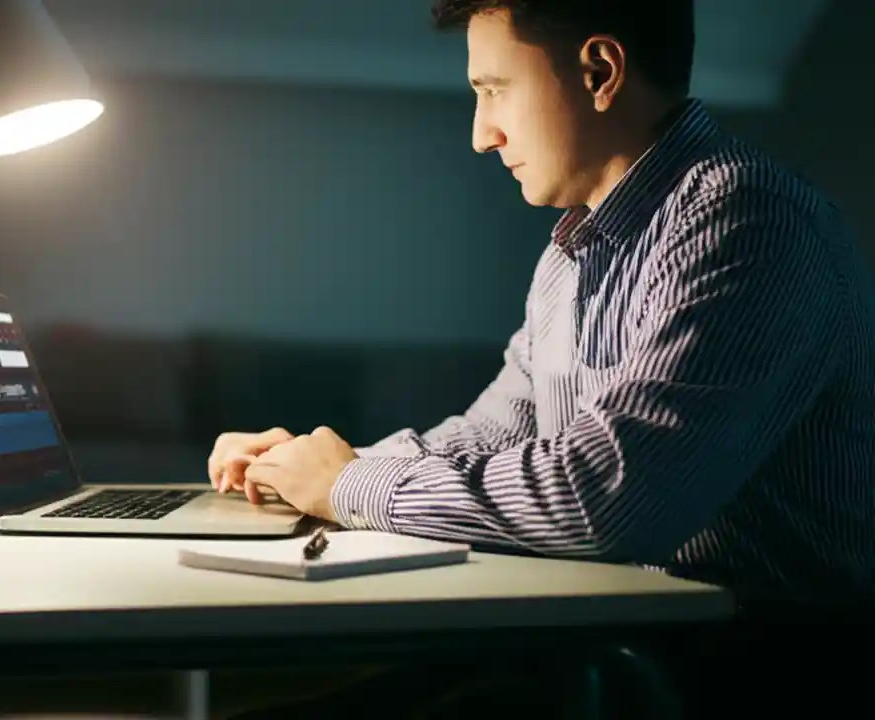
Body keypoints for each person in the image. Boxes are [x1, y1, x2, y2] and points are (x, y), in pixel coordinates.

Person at [209, 1, 875, 715]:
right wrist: (313, 466)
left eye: (493, 89)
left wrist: (347, 487)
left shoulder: (747, 221)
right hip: (626, 643)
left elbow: (609, 500)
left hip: (761, 672)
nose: (481, 134)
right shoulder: (575, 251)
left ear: (599, 71)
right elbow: (494, 436)